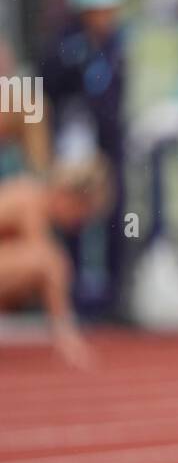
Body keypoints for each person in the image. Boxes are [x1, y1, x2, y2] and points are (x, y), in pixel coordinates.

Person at [0, 154, 113, 367]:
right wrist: (67, 337)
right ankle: (68, 343)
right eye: (81, 214)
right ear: (68, 196)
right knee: (50, 262)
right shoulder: (30, 198)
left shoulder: (32, 196)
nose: (79, 224)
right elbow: (50, 269)